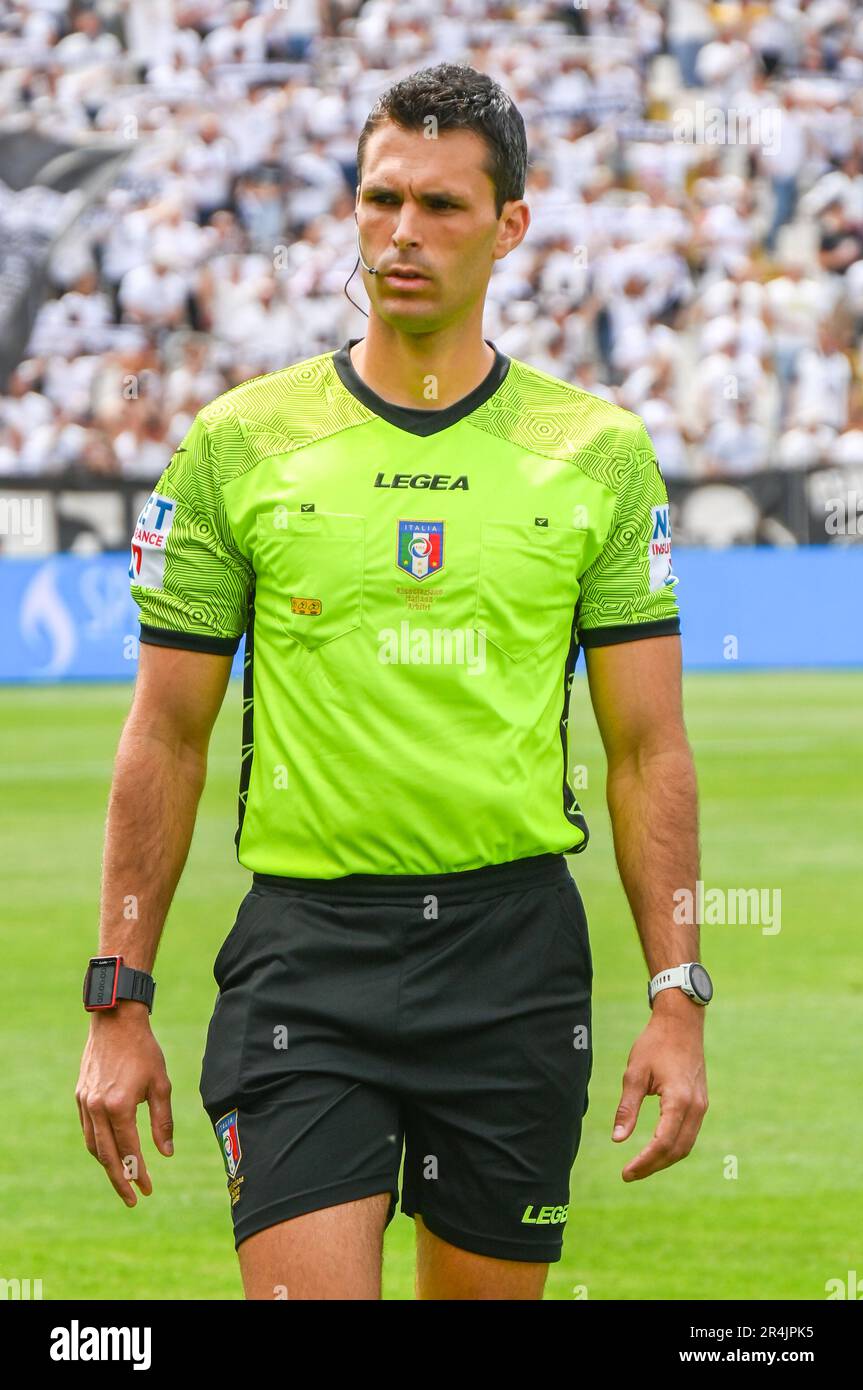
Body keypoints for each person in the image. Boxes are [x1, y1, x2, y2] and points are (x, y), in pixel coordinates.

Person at [76, 63, 709, 1302]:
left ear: (510, 226)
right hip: (309, 957)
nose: (402, 234)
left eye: (442, 207)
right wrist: (118, 995)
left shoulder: (599, 453)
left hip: (515, 957)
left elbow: (647, 750)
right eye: (380, 200)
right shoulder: (237, 442)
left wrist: (678, 990)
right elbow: (165, 737)